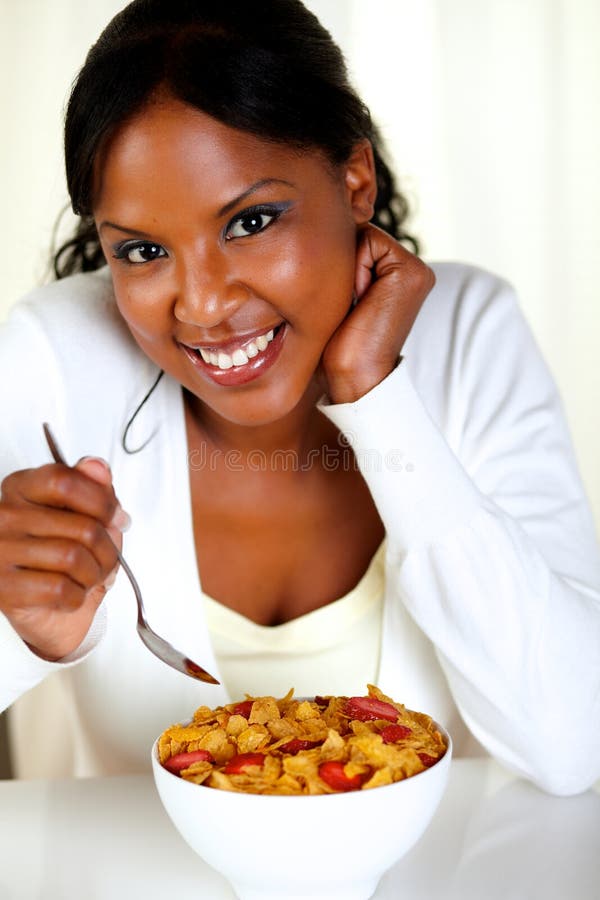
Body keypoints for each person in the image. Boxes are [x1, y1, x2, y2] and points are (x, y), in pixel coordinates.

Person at [0, 0, 599, 793]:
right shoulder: (55, 355)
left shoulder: (470, 334)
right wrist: (22, 633)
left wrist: (375, 394)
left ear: (355, 183)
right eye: (143, 250)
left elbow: (573, 744)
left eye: (251, 221)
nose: (203, 305)